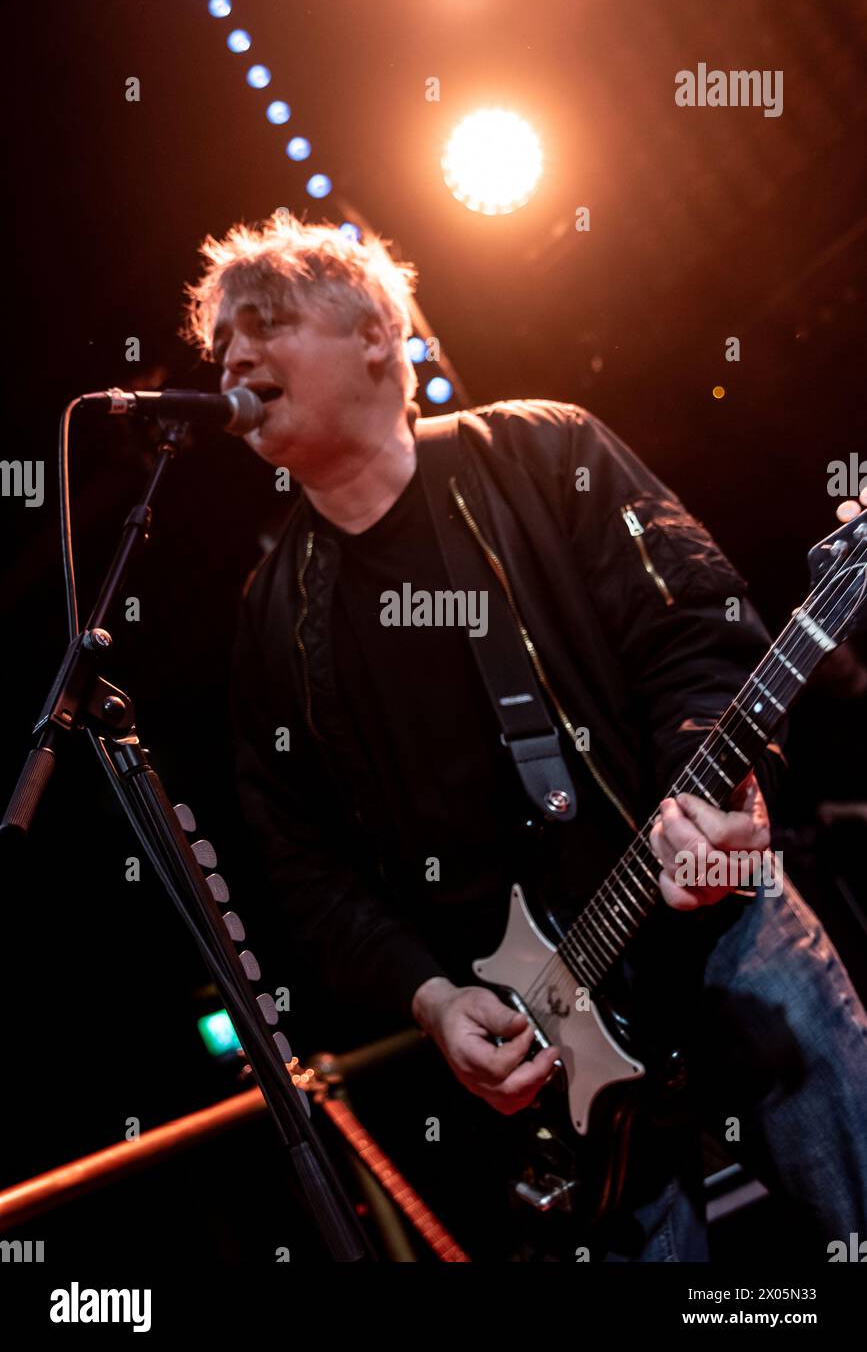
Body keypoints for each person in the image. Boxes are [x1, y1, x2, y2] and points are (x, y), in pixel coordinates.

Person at [182, 209, 867, 1261]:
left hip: (723, 937)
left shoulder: (543, 450)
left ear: (374, 331)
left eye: (264, 321)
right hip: (546, 1049)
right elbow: (300, 861)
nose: (233, 353)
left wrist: (714, 798)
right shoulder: (274, 617)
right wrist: (432, 994)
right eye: (221, 340)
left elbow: (693, 627)